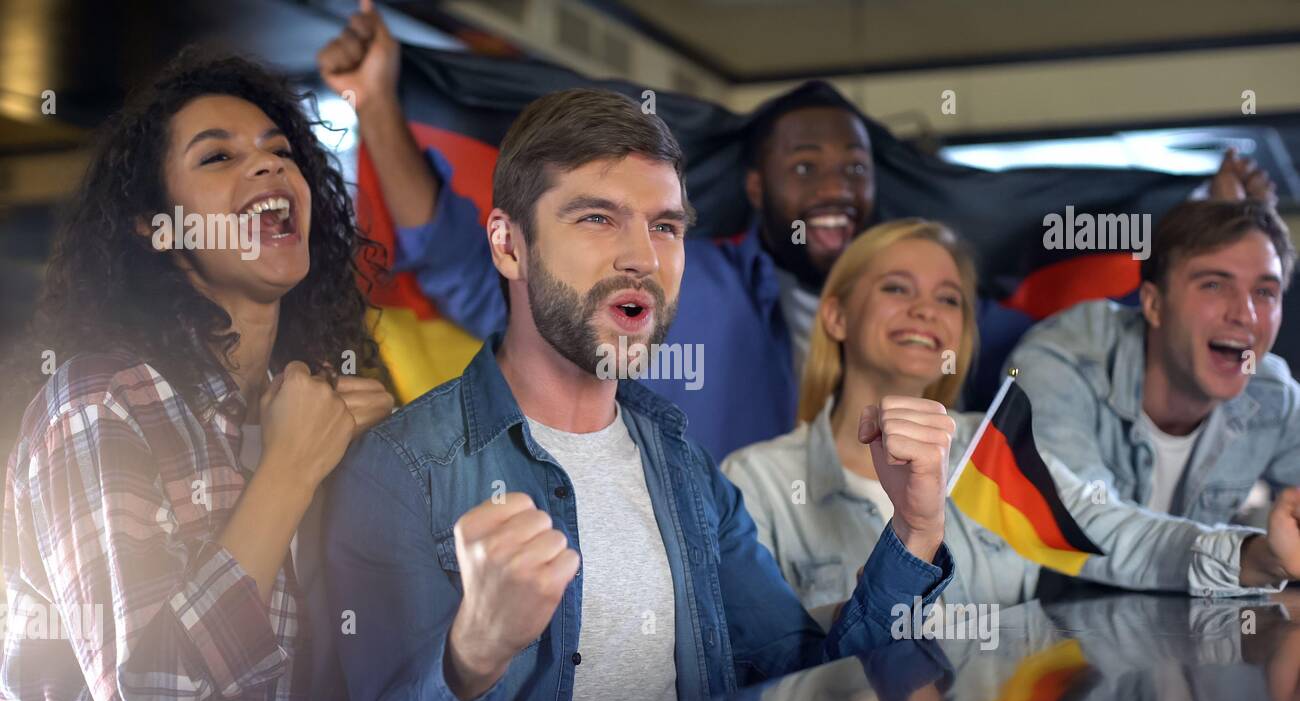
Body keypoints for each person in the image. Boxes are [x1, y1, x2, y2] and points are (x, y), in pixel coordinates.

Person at [316, 2, 1275, 462]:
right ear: (754, 185)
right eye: (805, 166)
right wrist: (383, 104)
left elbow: (1088, 338)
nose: (834, 187)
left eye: (854, 169)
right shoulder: (668, 287)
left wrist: (1210, 232)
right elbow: (455, 256)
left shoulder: (927, 309)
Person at [320, 87, 959, 701]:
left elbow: (810, 689)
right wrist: (474, 654)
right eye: (597, 218)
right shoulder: (397, 470)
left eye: (665, 226)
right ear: (509, 246)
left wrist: (914, 530)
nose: (644, 257)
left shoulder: (689, 470)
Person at [0, 51, 393, 701]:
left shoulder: (308, 411)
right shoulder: (97, 403)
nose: (271, 165)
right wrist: (291, 469)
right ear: (159, 231)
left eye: (280, 150)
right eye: (217, 157)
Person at [724, 218, 1300, 624]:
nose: (926, 310)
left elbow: (1116, 537)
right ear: (837, 316)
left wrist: (1258, 558)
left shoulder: (993, 445)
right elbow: (760, 659)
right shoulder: (759, 482)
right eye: (897, 289)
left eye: (950, 299)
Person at [1009, 199, 1300, 594]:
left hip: (1182, 641)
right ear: (1153, 303)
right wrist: (1250, 558)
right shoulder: (1067, 358)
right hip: (1048, 637)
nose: (1245, 314)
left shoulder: (1272, 395)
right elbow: (1075, 523)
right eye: (1214, 285)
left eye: (1265, 292)